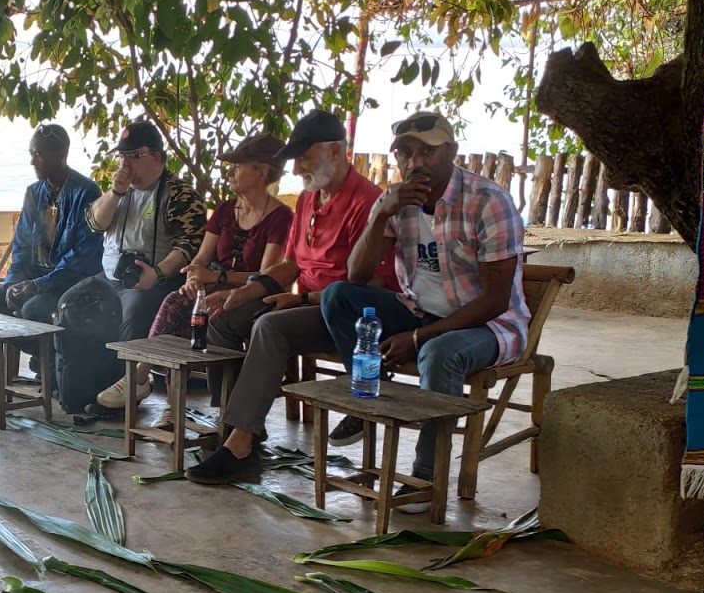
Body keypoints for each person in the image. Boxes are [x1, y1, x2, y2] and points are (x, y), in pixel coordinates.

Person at [317, 111, 528, 509]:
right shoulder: (397, 201)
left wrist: (417, 338)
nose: (415, 162)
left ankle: (425, 478)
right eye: (405, 153)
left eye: (427, 151)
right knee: (337, 296)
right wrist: (382, 213)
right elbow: (357, 275)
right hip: (420, 313)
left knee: (439, 352)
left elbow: (496, 300)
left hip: (489, 325)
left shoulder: (488, 201)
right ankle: (367, 396)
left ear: (451, 151)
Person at [186, 110, 389, 485]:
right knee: (223, 315)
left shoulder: (367, 201)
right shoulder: (310, 199)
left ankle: (240, 446)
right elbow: (290, 265)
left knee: (270, 327)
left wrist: (301, 301)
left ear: (334, 151)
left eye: (304, 158)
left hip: (347, 316)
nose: (295, 169)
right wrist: (242, 292)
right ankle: (234, 425)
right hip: (306, 304)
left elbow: (370, 285)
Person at [137, 132, 291, 428]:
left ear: (261, 172)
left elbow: (267, 275)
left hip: (254, 295)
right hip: (213, 289)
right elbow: (200, 258)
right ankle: (166, 397)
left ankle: (226, 409)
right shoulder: (225, 211)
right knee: (176, 300)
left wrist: (217, 276)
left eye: (238, 166)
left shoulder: (280, 217)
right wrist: (194, 277)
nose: (230, 173)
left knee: (213, 313)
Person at [88, 121, 204, 411]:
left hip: (151, 280)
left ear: (156, 157)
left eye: (134, 156)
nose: (125, 164)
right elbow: (94, 223)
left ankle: (127, 393)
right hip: (108, 276)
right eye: (122, 156)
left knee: (134, 313)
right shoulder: (120, 190)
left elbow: (190, 245)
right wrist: (114, 193)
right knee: (72, 304)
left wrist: (158, 273)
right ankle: (82, 386)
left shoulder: (178, 194)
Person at [0, 123, 102, 372]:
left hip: (69, 283)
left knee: (33, 309)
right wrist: (13, 285)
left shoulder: (86, 192)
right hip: (34, 280)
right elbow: (21, 248)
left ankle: (54, 362)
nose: (33, 161)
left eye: (39, 154)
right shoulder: (33, 193)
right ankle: (46, 357)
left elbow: (82, 259)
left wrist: (38, 285)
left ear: (61, 155)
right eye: (32, 153)